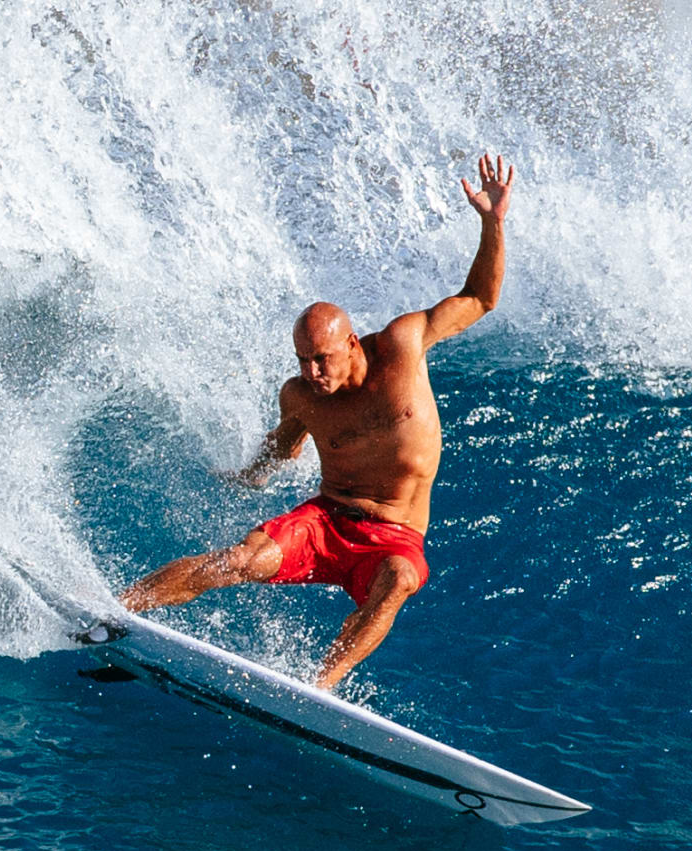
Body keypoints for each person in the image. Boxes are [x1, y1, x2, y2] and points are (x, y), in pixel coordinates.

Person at [125, 154, 514, 691]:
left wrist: (491, 223)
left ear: (352, 343)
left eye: (321, 359)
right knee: (242, 559)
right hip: (326, 520)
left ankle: (319, 687)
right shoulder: (302, 396)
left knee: (400, 579)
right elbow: (284, 447)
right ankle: (120, 608)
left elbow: (479, 298)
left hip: (394, 535)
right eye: (302, 360)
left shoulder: (403, 346)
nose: (311, 372)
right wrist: (250, 475)